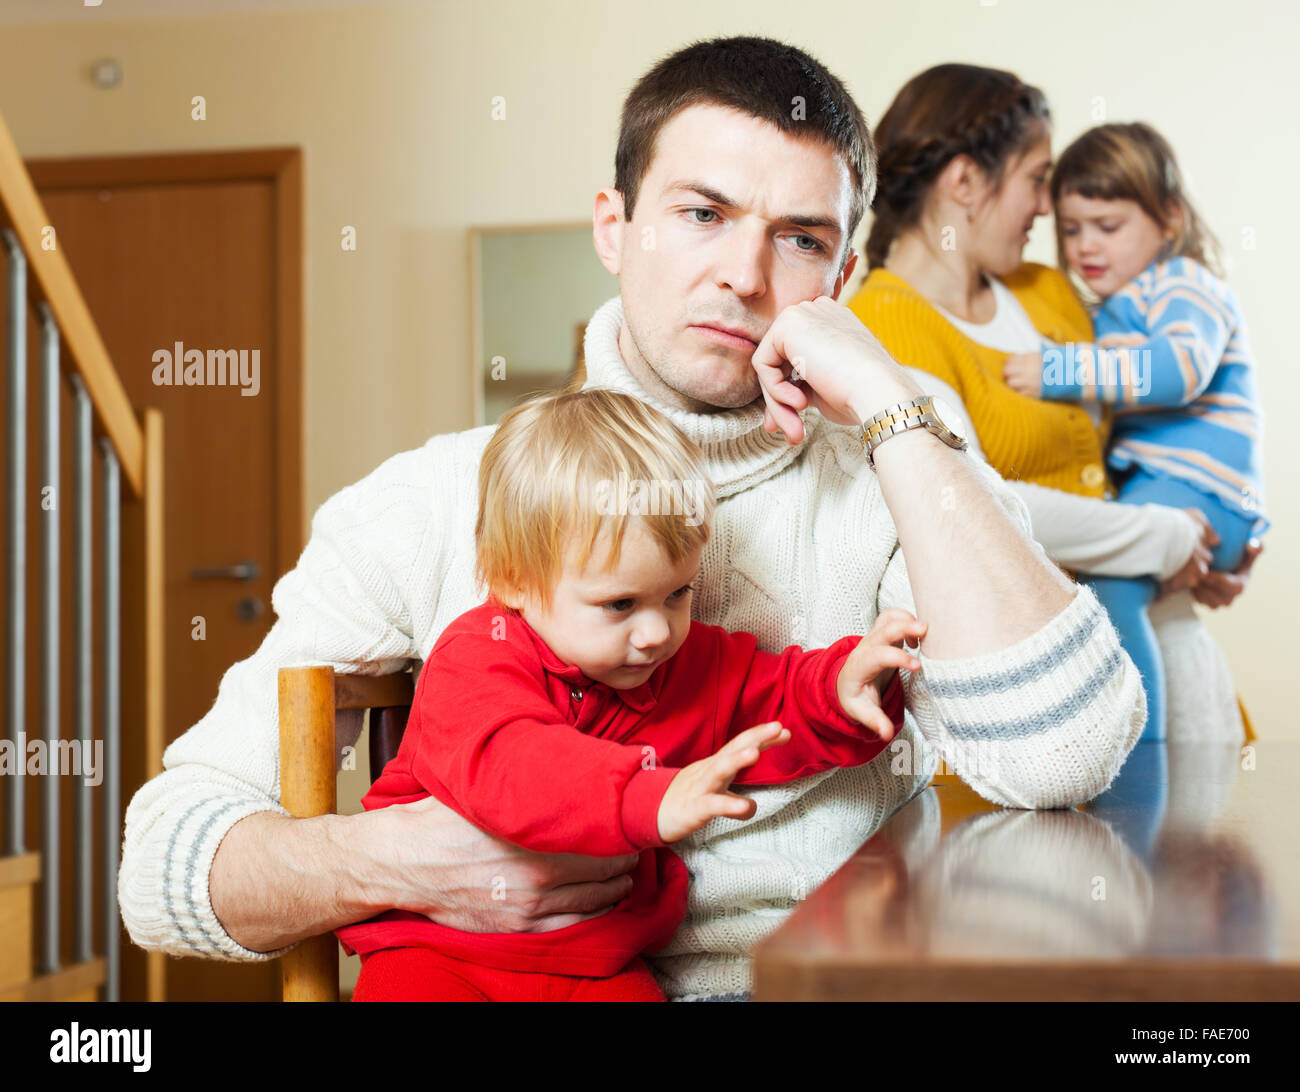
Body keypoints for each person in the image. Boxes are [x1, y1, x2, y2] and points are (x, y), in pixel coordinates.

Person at [119, 37, 1145, 1003]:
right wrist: (387, 860)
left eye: (798, 239)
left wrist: (893, 403)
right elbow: (160, 869)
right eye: (702, 213)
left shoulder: (895, 463)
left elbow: (1064, 760)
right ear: (613, 226)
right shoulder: (431, 499)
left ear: (842, 281)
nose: (743, 276)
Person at [337, 388, 919, 1001]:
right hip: (440, 953)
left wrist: (842, 686)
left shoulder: (681, 663)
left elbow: (772, 697)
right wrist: (652, 797)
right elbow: (515, 767)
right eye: (620, 604)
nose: (657, 632)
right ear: (514, 580)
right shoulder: (476, 655)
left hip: (597, 963)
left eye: (678, 593)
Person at [846, 63, 1259, 747]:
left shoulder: (1047, 290)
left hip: (1164, 642)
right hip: (1041, 690)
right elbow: (983, 506)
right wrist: (1167, 538)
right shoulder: (884, 328)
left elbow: (1142, 428)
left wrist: (1218, 535)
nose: (1047, 206)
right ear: (965, 182)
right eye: (1036, 178)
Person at [1001, 122, 1268, 741]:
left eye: (1108, 227)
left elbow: (1179, 371)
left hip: (1200, 493)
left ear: (1170, 218)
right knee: (1109, 573)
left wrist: (1062, 370)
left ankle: (1137, 745)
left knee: (1112, 579)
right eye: (1070, 229)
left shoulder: (1184, 283)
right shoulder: (1110, 302)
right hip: (1175, 491)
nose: (1085, 246)